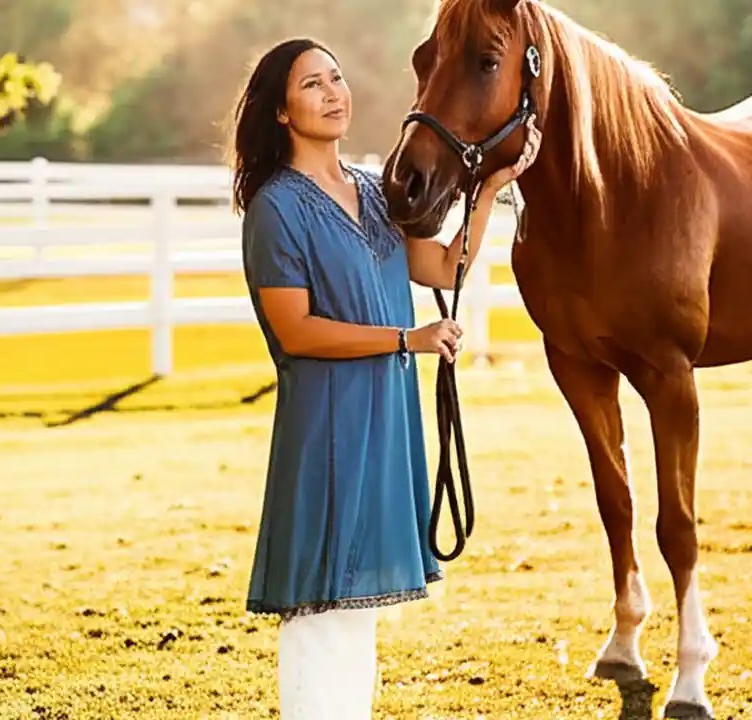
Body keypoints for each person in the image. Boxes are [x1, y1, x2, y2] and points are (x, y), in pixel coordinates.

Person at [227, 37, 541, 719]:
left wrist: (489, 189)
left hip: (385, 413)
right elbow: (296, 331)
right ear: (280, 111)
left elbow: (444, 265)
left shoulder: (375, 193)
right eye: (311, 84)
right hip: (327, 421)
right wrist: (408, 339)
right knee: (322, 599)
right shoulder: (276, 209)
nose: (332, 93)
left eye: (336, 78)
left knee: (358, 600)